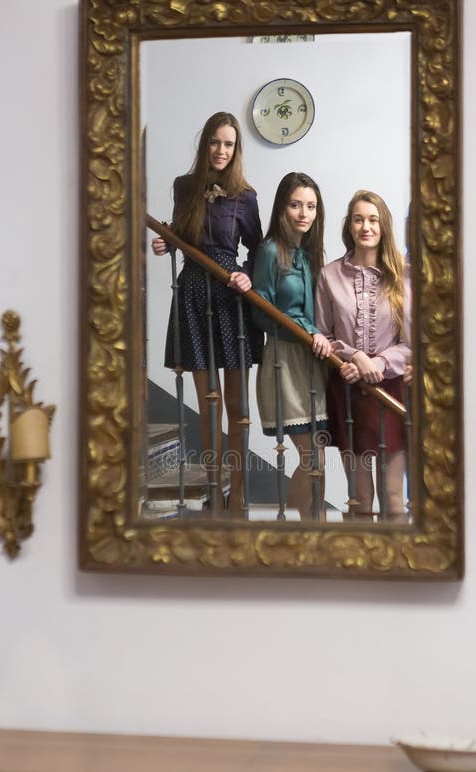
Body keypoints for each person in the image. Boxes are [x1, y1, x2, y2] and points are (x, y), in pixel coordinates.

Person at [151, 112, 263, 513]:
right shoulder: (185, 187)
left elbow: (259, 248)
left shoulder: (246, 196)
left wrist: (247, 277)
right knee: (208, 404)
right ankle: (215, 489)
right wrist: (168, 242)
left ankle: (240, 492)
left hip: (232, 301)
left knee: (237, 408)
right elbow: (182, 234)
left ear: (236, 149)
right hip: (194, 296)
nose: (221, 150)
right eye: (215, 142)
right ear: (205, 145)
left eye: (229, 144)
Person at [315, 189, 412, 518]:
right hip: (348, 389)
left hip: (392, 391)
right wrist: (355, 358)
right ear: (349, 225)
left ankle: (398, 567)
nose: (365, 226)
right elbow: (322, 333)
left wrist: (378, 364)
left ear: (383, 226)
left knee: (394, 498)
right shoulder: (329, 275)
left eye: (373, 219)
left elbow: (412, 343)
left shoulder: (404, 275)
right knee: (359, 499)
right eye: (359, 219)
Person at [251, 172, 332, 518]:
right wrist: (304, 330)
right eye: (296, 204)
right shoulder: (270, 251)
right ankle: (297, 533)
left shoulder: (311, 254)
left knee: (321, 459)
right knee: (311, 458)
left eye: (311, 206)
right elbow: (262, 312)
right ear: (282, 207)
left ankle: (314, 533)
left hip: (313, 362)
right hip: (284, 362)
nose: (304, 213)